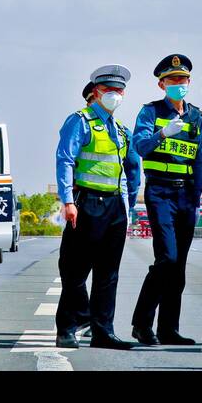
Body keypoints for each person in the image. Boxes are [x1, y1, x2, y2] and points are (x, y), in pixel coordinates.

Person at [54, 64, 140, 349]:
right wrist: (68, 200)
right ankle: (67, 327)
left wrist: (130, 208)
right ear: (96, 92)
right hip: (87, 202)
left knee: (108, 273)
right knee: (76, 269)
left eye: (119, 90)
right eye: (109, 90)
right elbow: (65, 160)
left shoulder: (121, 130)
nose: (115, 94)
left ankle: (103, 330)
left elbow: (129, 170)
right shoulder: (80, 121)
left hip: (116, 205)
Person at [130, 54, 202, 346]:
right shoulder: (150, 113)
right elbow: (140, 147)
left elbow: (200, 160)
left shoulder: (197, 116)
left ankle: (168, 328)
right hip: (160, 192)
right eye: (173, 79)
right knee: (167, 258)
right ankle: (141, 323)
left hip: (186, 194)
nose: (179, 84)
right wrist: (162, 133)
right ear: (162, 83)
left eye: (183, 79)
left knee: (179, 265)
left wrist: (197, 200)